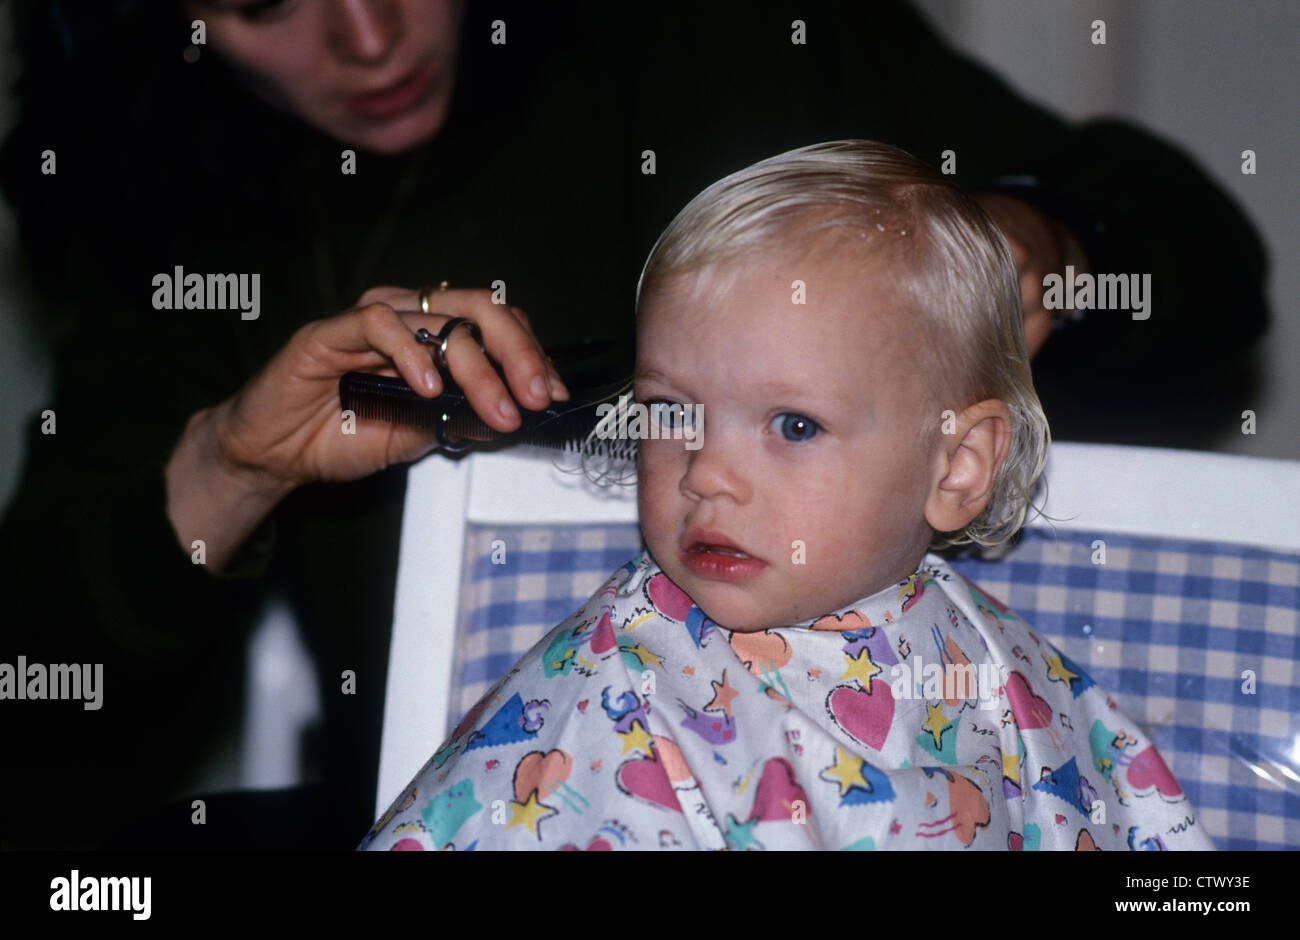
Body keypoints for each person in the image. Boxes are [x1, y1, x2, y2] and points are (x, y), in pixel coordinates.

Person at [0, 1, 1257, 850]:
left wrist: (1040, 242)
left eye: (790, 424)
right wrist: (233, 461)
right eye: (267, 3)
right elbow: (42, 692)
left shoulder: (728, 36)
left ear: (965, 460)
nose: (367, 37)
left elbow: (1207, 268)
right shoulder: (171, 212)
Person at [359, 141, 1213, 851]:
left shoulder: (997, 666)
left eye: (794, 426)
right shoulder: (620, 690)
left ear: (956, 467)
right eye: (672, 413)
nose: (706, 474)